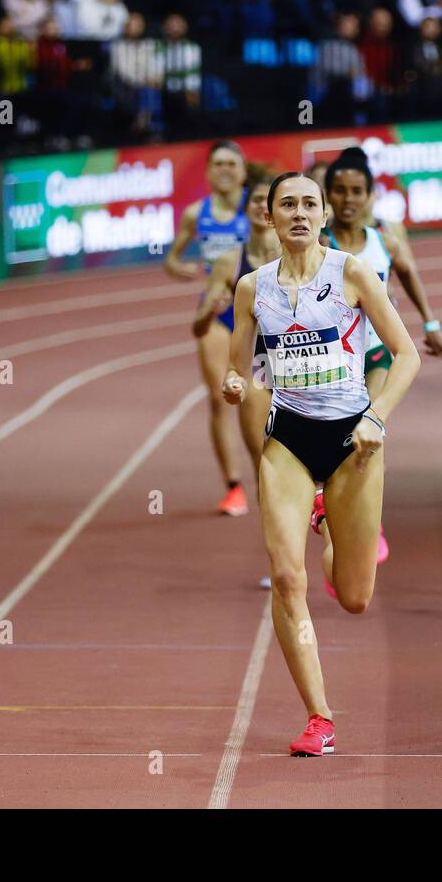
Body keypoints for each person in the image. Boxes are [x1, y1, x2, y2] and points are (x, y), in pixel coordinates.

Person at [222, 171, 420, 756]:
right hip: (288, 440)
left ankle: (327, 516)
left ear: (326, 216)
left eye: (311, 204)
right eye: (288, 204)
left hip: (354, 444)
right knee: (287, 579)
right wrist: (237, 384)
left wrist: (377, 417)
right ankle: (319, 717)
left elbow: (406, 355)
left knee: (355, 596)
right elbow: (246, 367)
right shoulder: (251, 289)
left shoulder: (352, 273)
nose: (300, 213)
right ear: (271, 216)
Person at [320, 148, 442, 569]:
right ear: (329, 195)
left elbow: (409, 272)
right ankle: (329, 504)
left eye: (357, 191)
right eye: (338, 191)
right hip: (333, 361)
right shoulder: (321, 243)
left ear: (371, 196)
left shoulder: (385, 241)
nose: (348, 199)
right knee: (333, 443)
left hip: (375, 353)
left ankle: (370, 524)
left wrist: (430, 325)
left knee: (370, 430)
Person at [194, 170, 281, 589]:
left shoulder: (307, 253)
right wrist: (209, 311)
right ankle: (280, 561)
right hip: (261, 371)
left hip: (307, 370)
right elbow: (197, 326)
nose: (263, 209)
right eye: (256, 202)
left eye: (271, 201)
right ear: (247, 210)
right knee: (266, 467)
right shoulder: (232, 261)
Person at [163, 140, 252, 516]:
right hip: (216, 311)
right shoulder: (196, 214)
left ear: (243, 171)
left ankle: (277, 470)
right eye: (218, 163)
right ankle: (233, 486)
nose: (225, 170)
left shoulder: (260, 207)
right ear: (208, 172)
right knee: (219, 398)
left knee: (260, 399)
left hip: (259, 312)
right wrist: (176, 267)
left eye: (232, 163)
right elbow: (172, 255)